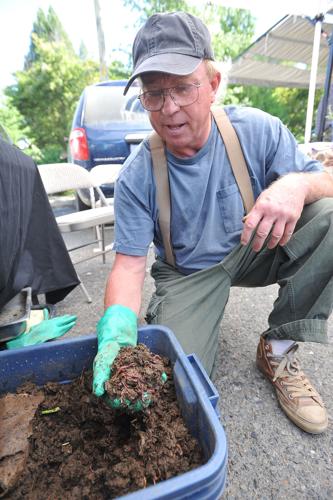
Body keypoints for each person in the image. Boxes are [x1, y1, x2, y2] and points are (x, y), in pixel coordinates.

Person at [93, 11, 333, 433]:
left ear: (213, 84)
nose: (169, 109)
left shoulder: (257, 130)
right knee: (174, 387)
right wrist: (116, 329)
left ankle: (277, 348)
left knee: (328, 216)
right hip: (189, 273)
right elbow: (129, 267)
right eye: (154, 94)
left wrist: (295, 185)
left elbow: (326, 180)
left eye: (184, 88)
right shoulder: (136, 175)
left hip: (254, 247)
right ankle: (189, 326)